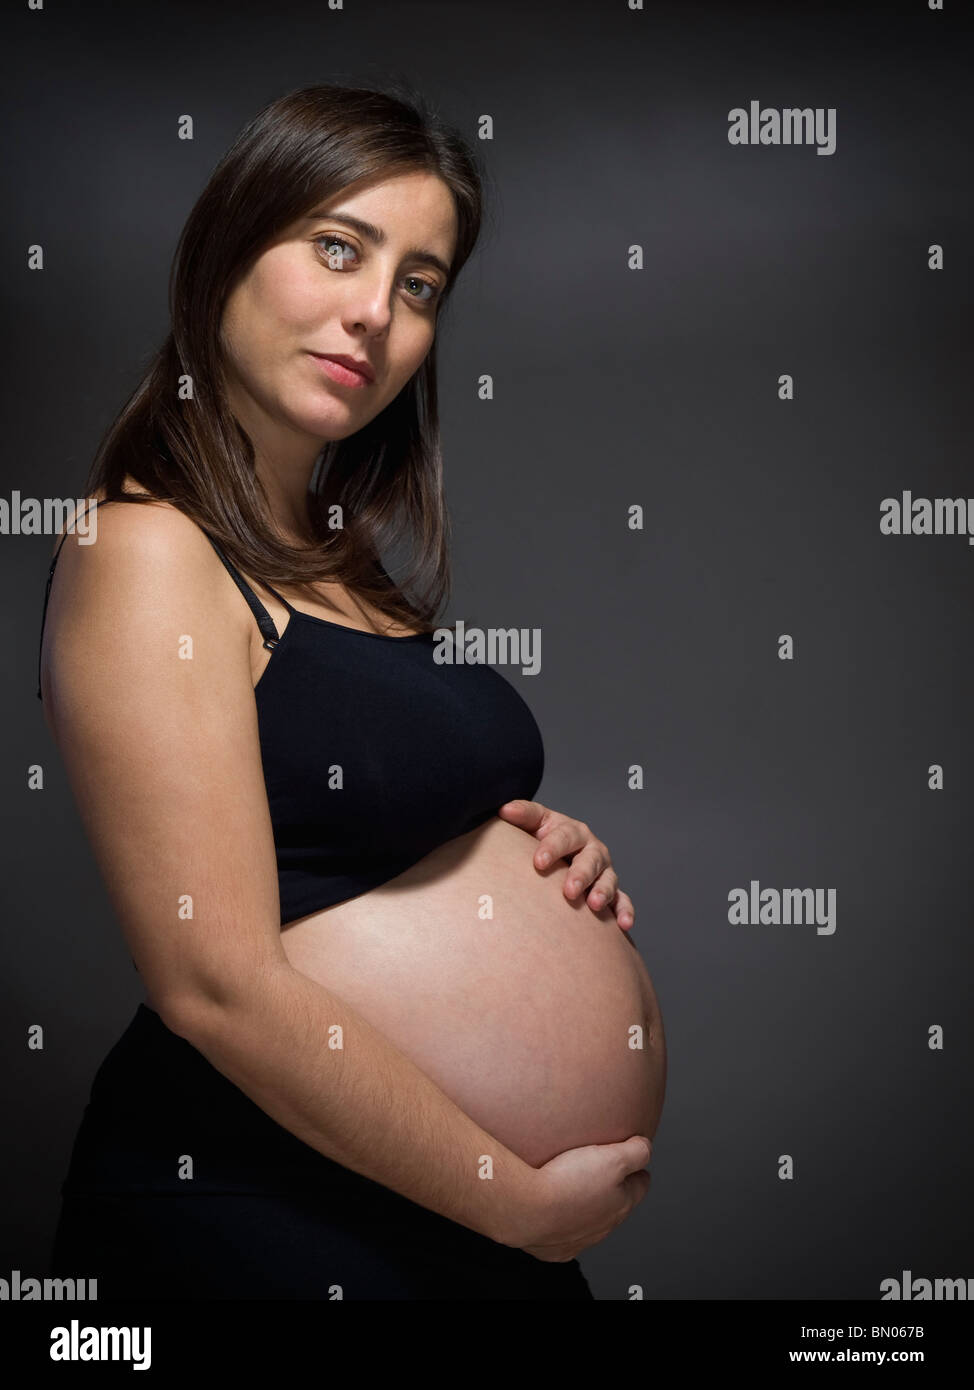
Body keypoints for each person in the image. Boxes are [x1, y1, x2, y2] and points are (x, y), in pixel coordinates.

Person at [39, 83, 665, 1301]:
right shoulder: (148, 548)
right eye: (338, 247)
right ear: (230, 245)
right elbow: (212, 984)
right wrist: (514, 1203)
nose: (374, 311)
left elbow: (360, 840)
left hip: (439, 1216)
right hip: (266, 1212)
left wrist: (532, 852)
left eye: (420, 284)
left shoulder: (341, 565)